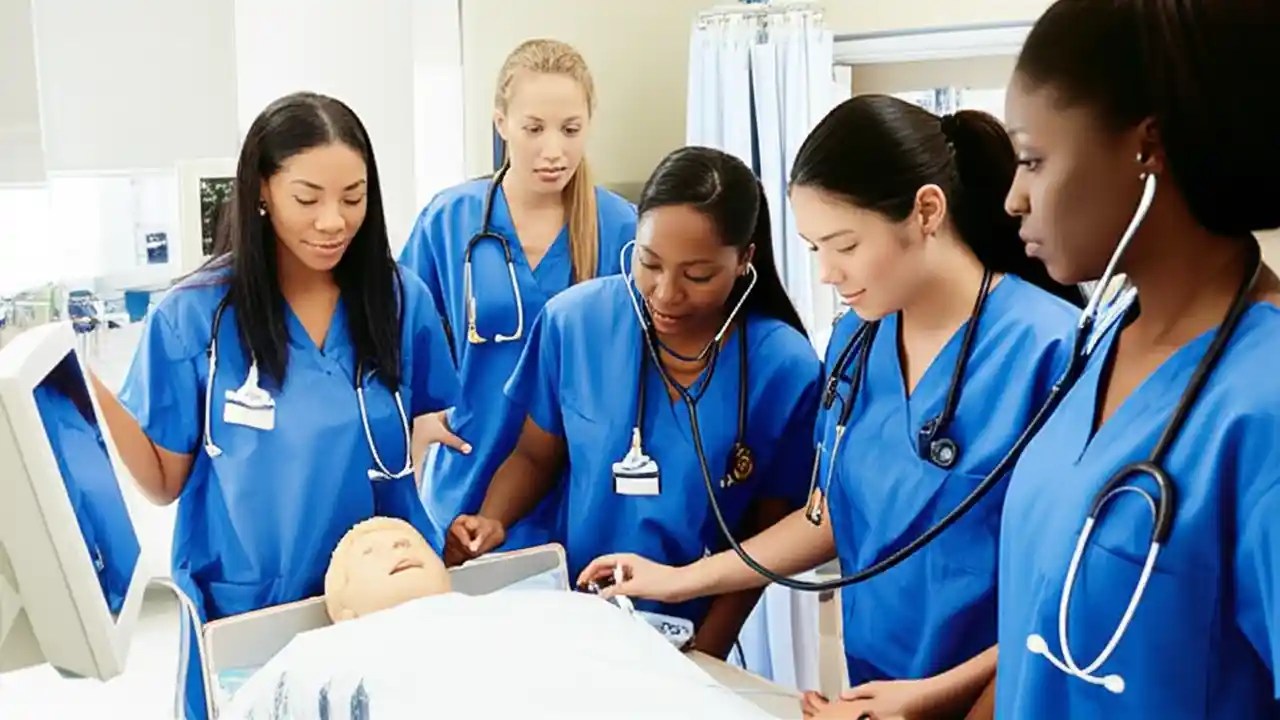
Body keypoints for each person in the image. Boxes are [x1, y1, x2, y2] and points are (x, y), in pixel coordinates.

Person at [577, 94, 1085, 719]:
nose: (825, 273)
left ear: (926, 211)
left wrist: (933, 698)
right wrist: (675, 578)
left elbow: (1071, 589)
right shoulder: (856, 342)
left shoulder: (1054, 352)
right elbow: (829, 517)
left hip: (1003, 696)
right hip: (876, 689)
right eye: (814, 248)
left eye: (842, 245)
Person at [88, 91, 458, 719]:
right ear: (262, 190)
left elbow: (418, 433)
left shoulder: (398, 300)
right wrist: (86, 388)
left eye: (353, 197)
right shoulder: (195, 317)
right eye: (307, 198)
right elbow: (162, 480)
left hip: (383, 613)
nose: (334, 221)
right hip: (250, 612)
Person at [980, 1, 1277, 717]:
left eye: (1033, 159)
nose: (1014, 198)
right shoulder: (1105, 337)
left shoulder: (1262, 406)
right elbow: (1046, 617)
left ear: (1147, 148)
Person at [444, 146, 821, 659]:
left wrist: (707, 651)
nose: (665, 293)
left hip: (689, 631)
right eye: (650, 262)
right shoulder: (574, 323)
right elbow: (534, 456)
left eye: (698, 275)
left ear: (744, 262)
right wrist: (493, 518)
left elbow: (768, 535)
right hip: (574, 618)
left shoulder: (783, 366)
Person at [401, 38, 637, 554]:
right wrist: (416, 419)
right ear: (501, 123)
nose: (553, 150)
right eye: (533, 129)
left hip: (580, 490)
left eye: (571, 130)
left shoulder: (622, 230)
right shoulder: (449, 220)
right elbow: (394, 338)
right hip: (467, 481)